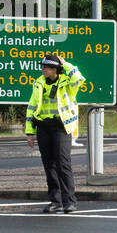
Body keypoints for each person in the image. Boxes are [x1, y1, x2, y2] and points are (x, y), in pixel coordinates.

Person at [25, 54, 85, 213]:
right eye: (43, 66)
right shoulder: (38, 83)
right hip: (43, 127)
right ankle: (55, 201)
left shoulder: (67, 83)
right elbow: (31, 107)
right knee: (49, 165)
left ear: (55, 69)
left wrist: (65, 64)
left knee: (63, 164)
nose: (43, 69)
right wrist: (29, 132)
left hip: (61, 127)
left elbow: (78, 78)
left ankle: (69, 201)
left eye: (46, 67)